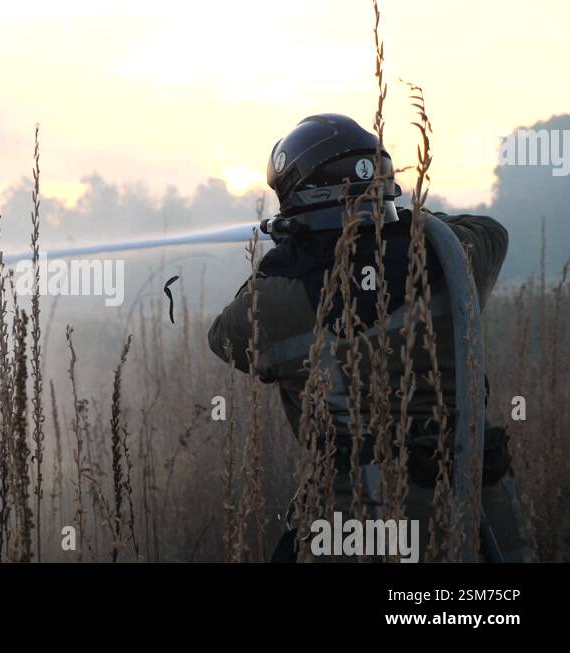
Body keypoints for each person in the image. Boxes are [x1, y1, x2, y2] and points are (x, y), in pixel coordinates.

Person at [208, 113, 534, 562]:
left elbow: (223, 337)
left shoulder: (276, 300)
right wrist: (409, 227)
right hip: (473, 517)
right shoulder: (454, 258)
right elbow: (492, 231)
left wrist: (284, 255)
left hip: (355, 525)